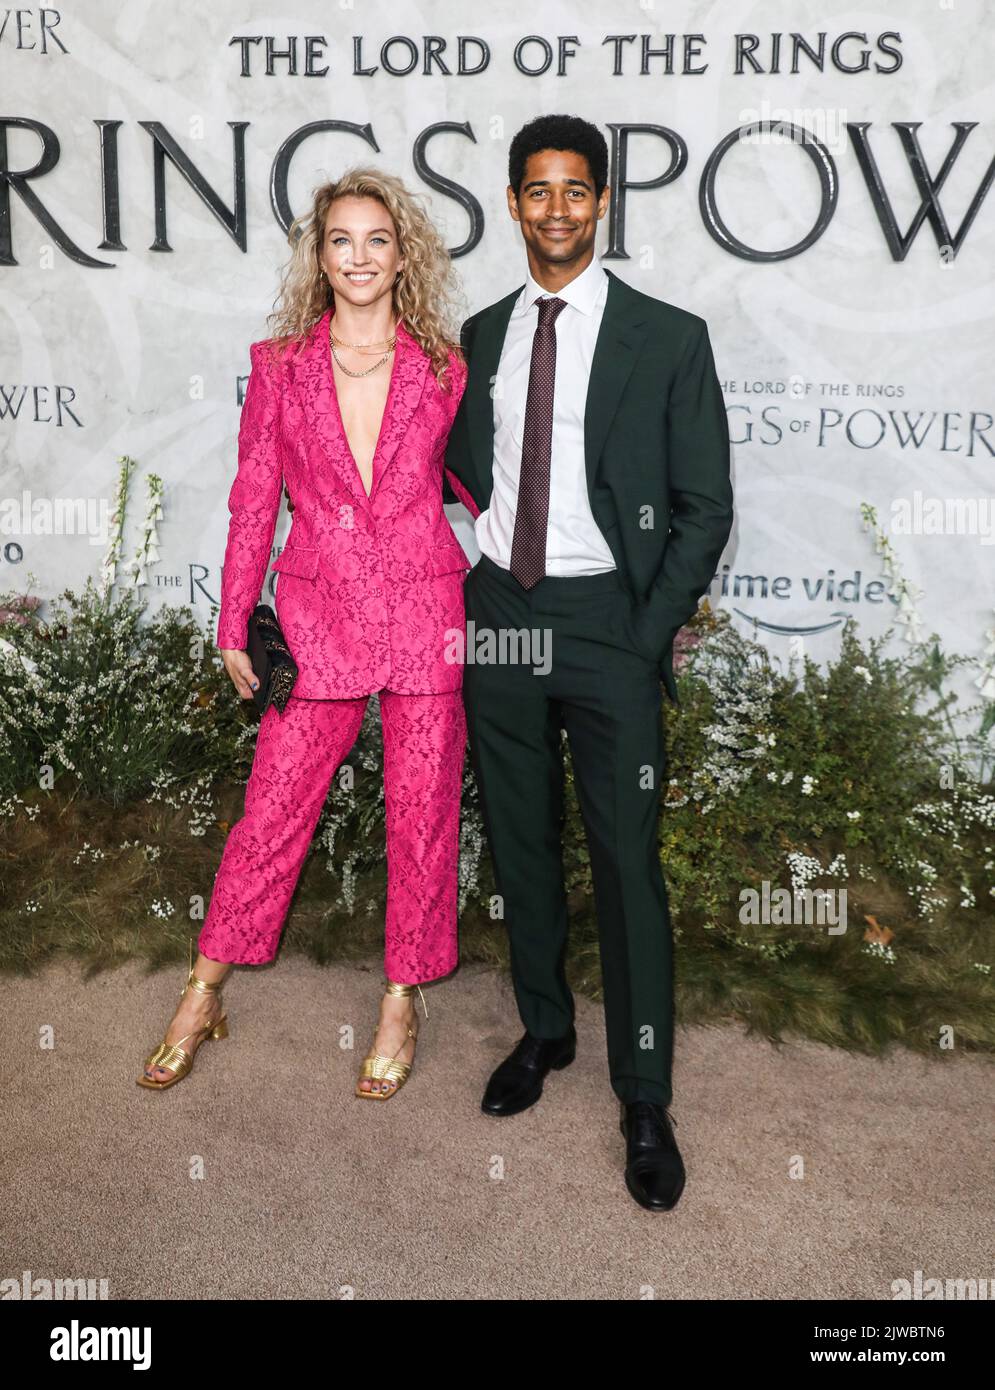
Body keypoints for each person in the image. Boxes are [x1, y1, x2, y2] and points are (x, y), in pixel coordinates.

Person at [444, 115, 734, 1208]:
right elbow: (453, 477)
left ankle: (644, 1091)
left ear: (600, 203)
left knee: (625, 864)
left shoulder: (666, 337)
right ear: (511, 203)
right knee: (520, 842)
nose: (556, 208)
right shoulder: (476, 337)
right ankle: (544, 1032)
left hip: (610, 622)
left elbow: (704, 507)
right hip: (503, 617)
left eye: (576, 190)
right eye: (536, 190)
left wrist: (645, 627)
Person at [138, 167, 478, 1099]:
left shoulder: (444, 366)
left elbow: (490, 481)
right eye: (341, 240)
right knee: (272, 810)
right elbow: (256, 496)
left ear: (401, 253)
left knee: (421, 817)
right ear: (319, 256)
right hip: (316, 612)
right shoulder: (279, 363)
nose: (359, 256)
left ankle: (402, 1002)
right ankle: (203, 991)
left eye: (377, 239)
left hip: (423, 614)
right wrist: (234, 617)